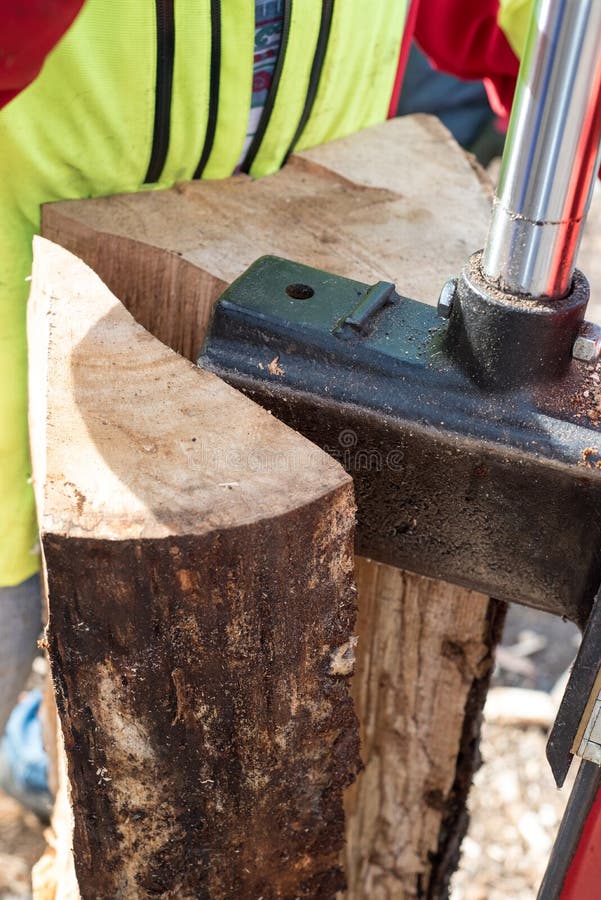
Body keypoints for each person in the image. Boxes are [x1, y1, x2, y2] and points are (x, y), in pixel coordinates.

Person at [0, 0, 529, 752]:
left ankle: (46, 756)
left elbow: (522, 22)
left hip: (313, 335)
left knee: (157, 714)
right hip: (16, 340)